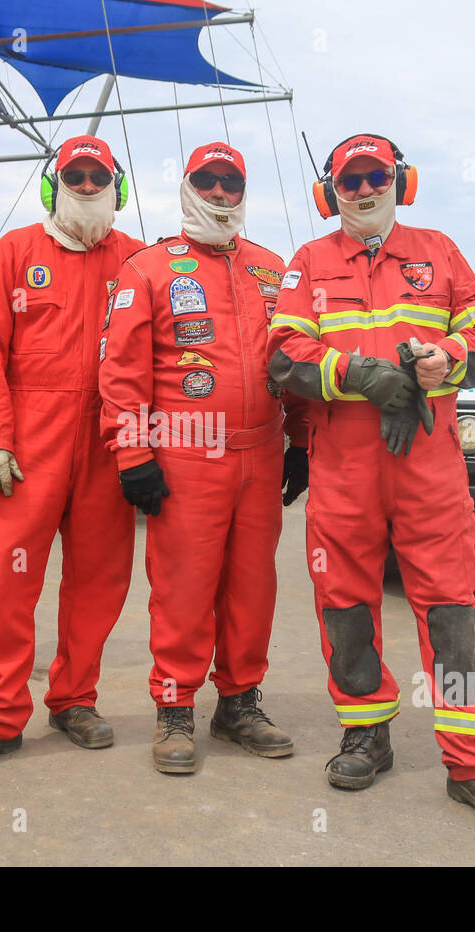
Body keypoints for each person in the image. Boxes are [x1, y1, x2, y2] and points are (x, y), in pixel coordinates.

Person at [265, 133, 475, 828]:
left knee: (450, 609)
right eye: (348, 181)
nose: (362, 190)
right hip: (344, 468)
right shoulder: (309, 262)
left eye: (374, 175)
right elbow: (284, 358)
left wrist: (445, 359)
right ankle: (366, 734)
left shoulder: (439, 250)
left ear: (399, 181)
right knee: (344, 604)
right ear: (330, 192)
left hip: (428, 464)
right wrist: (358, 375)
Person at [98, 142, 309, 773]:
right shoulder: (150, 268)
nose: (220, 194)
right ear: (188, 186)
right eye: (208, 181)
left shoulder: (275, 270)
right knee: (184, 588)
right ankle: (174, 709)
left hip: (262, 455)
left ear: (243, 193)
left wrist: (302, 442)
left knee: (252, 587)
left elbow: (294, 363)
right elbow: (122, 373)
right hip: (189, 452)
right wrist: (133, 453)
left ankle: (239, 702)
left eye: (231, 184)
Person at [0, 135, 145, 775]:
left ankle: (74, 699)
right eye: (75, 176)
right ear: (56, 185)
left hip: (107, 444)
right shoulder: (15, 252)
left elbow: (155, 361)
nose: (86, 185)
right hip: (29, 443)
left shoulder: (140, 260)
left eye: (97, 176)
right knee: (8, 581)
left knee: (100, 582)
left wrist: (145, 443)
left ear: (117, 187)